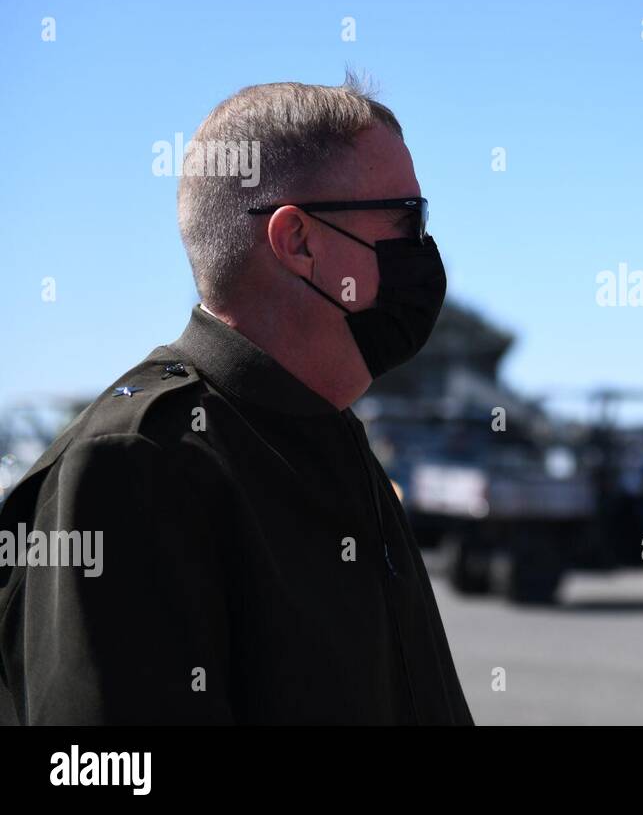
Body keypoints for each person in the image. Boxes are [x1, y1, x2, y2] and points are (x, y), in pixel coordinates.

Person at [0, 75, 472, 724]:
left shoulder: (323, 432)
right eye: (405, 218)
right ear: (299, 242)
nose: (421, 250)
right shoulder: (136, 466)